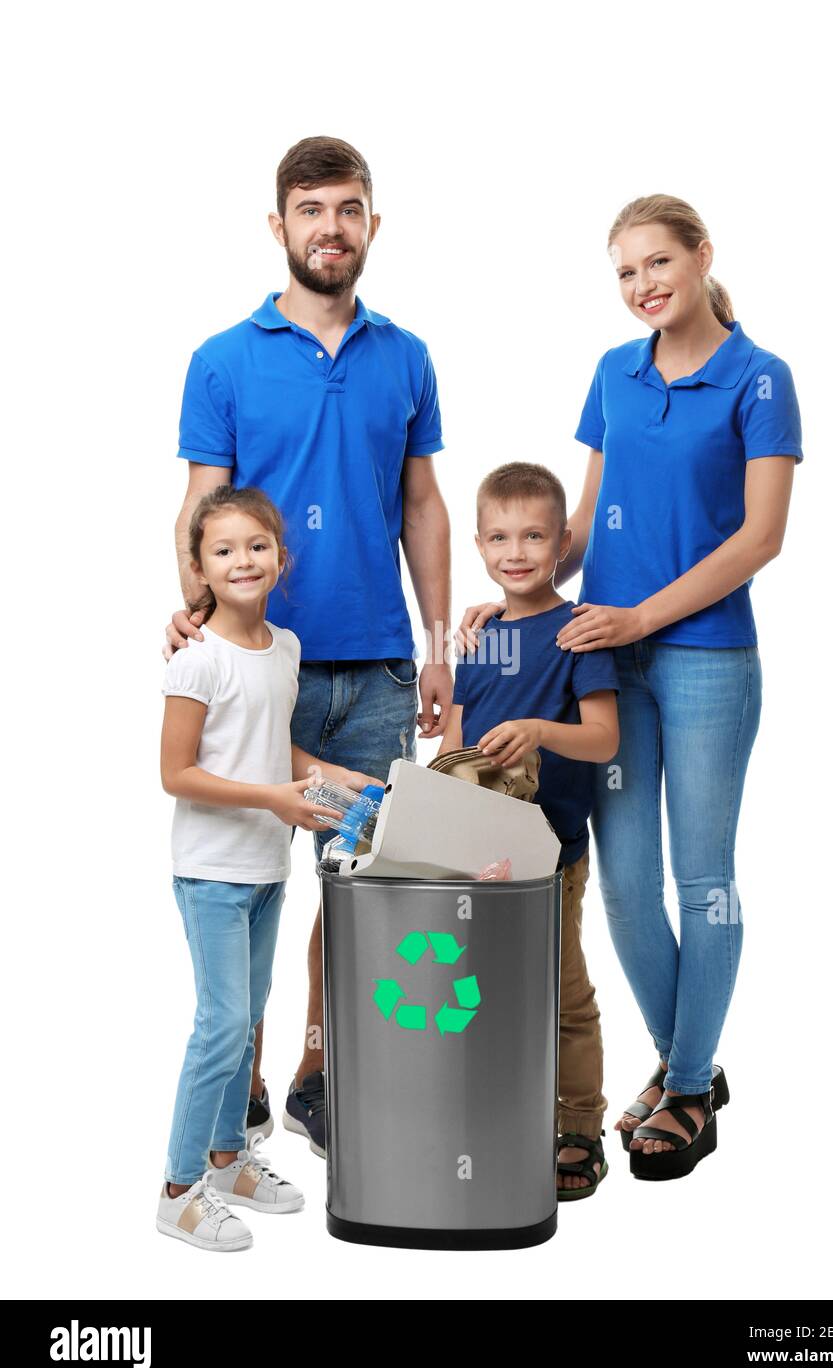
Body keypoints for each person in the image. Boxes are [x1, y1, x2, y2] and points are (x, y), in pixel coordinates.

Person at [460, 195, 802, 1181]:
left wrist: (641, 617)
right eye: (623, 272)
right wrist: (509, 597)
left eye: (657, 263)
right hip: (600, 659)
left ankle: (686, 1087)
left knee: (702, 880)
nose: (642, 285)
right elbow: (582, 525)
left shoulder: (758, 379)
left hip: (701, 661)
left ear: (701, 256)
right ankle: (688, 1063)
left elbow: (759, 538)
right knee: (617, 886)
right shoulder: (612, 372)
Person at [163, 137, 451, 1157]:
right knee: (245, 870)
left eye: (349, 208)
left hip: (374, 663)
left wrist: (436, 649)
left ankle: (318, 1071)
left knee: (354, 878)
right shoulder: (224, 358)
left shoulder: (404, 354)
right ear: (277, 224)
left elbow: (421, 502)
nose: (331, 227)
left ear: (371, 224)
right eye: (312, 208)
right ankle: (233, 1067)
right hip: (260, 665)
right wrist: (194, 605)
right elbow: (204, 501)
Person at [158, 484, 367, 1250]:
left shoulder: (284, 649)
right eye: (223, 550)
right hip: (211, 869)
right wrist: (276, 801)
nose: (242, 560)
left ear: (282, 557)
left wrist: (338, 777)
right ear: (199, 569)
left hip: (265, 868)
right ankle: (179, 1188)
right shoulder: (197, 659)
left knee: (245, 1019)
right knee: (219, 1026)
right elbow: (176, 774)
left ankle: (226, 1159)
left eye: (256, 547)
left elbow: (277, 753)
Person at [438, 463, 619, 1199]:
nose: (516, 551)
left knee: (561, 993)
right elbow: (449, 742)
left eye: (535, 535)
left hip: (550, 856)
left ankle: (579, 1126)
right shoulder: (477, 638)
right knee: (480, 992)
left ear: (561, 542)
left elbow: (604, 740)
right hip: (472, 859)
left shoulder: (579, 632)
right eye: (501, 537)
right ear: (479, 545)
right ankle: (494, 1116)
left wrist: (543, 731)